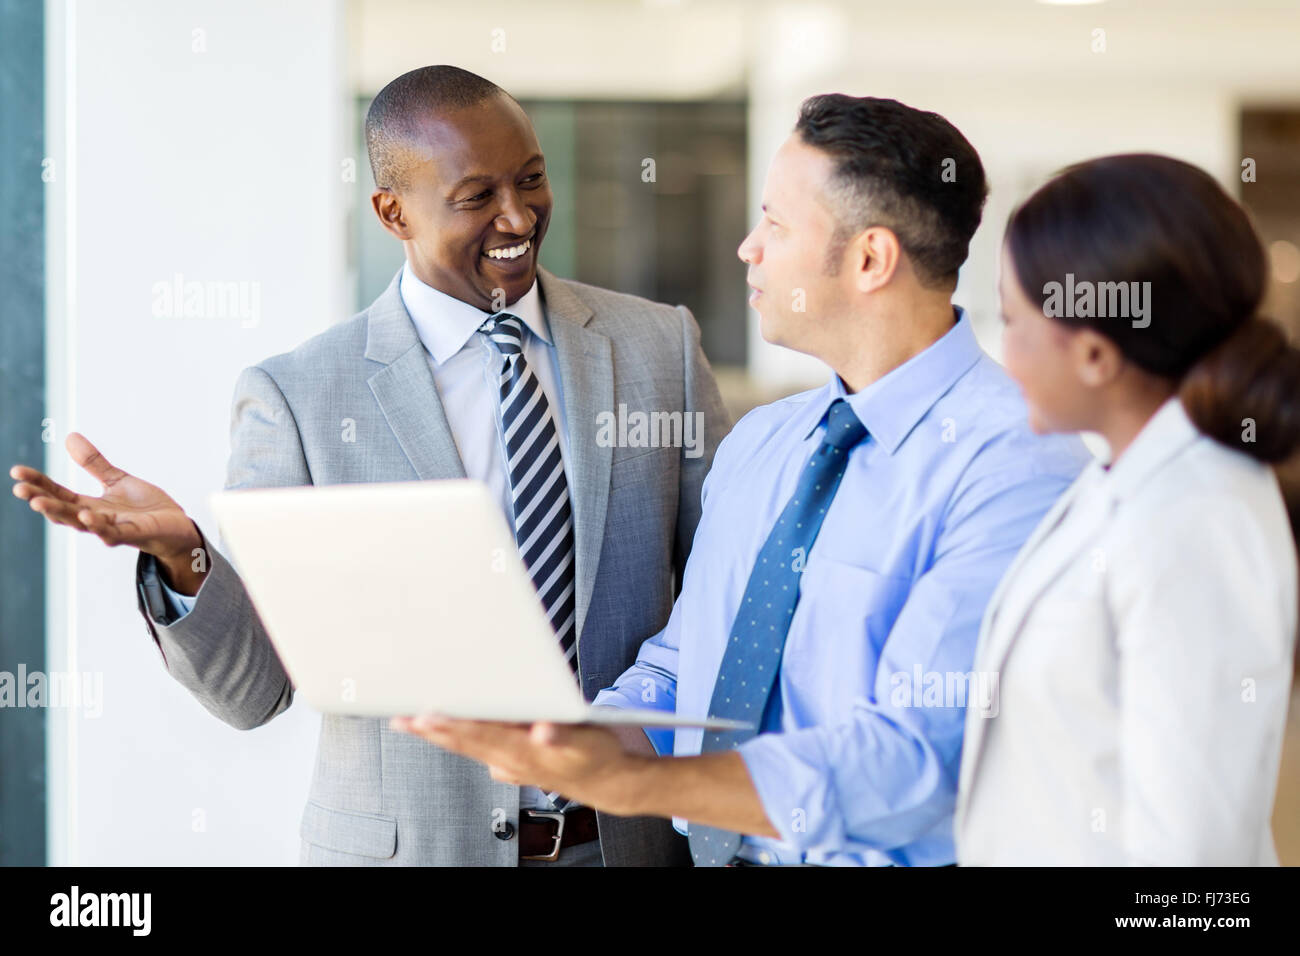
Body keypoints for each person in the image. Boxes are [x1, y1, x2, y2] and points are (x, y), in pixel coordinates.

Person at [8, 65, 729, 866]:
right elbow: (255, 692)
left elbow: (724, 593)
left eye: (531, 180)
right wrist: (187, 557)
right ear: (393, 211)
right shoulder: (301, 395)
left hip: (626, 844)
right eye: (477, 196)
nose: (518, 216)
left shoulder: (660, 348)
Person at [394, 94, 1093, 866]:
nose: (747, 249)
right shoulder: (765, 444)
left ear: (870, 259)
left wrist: (640, 787)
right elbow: (685, 667)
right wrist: (578, 739)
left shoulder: (1017, 462)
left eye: (777, 225)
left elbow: (915, 760)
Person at [954, 153, 1300, 865]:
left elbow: (1190, 868)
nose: (1002, 349)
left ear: (1094, 356)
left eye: (1014, 320)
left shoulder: (1197, 518)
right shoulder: (1128, 476)